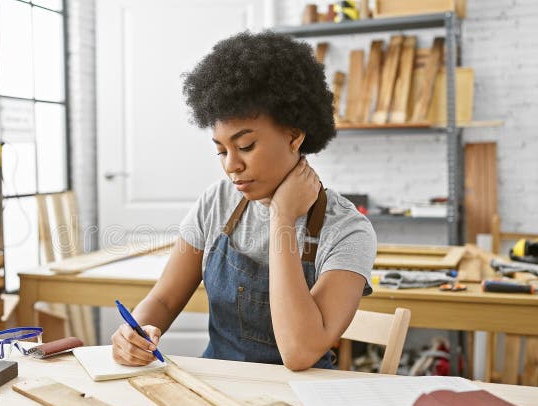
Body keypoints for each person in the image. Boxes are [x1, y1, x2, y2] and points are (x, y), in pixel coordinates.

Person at [111, 31, 376, 370]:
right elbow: (163, 299)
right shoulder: (216, 203)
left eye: (246, 146)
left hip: (303, 399)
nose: (231, 166)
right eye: (221, 150)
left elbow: (299, 352)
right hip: (221, 389)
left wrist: (282, 217)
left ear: (294, 135)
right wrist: (133, 333)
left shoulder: (347, 230)